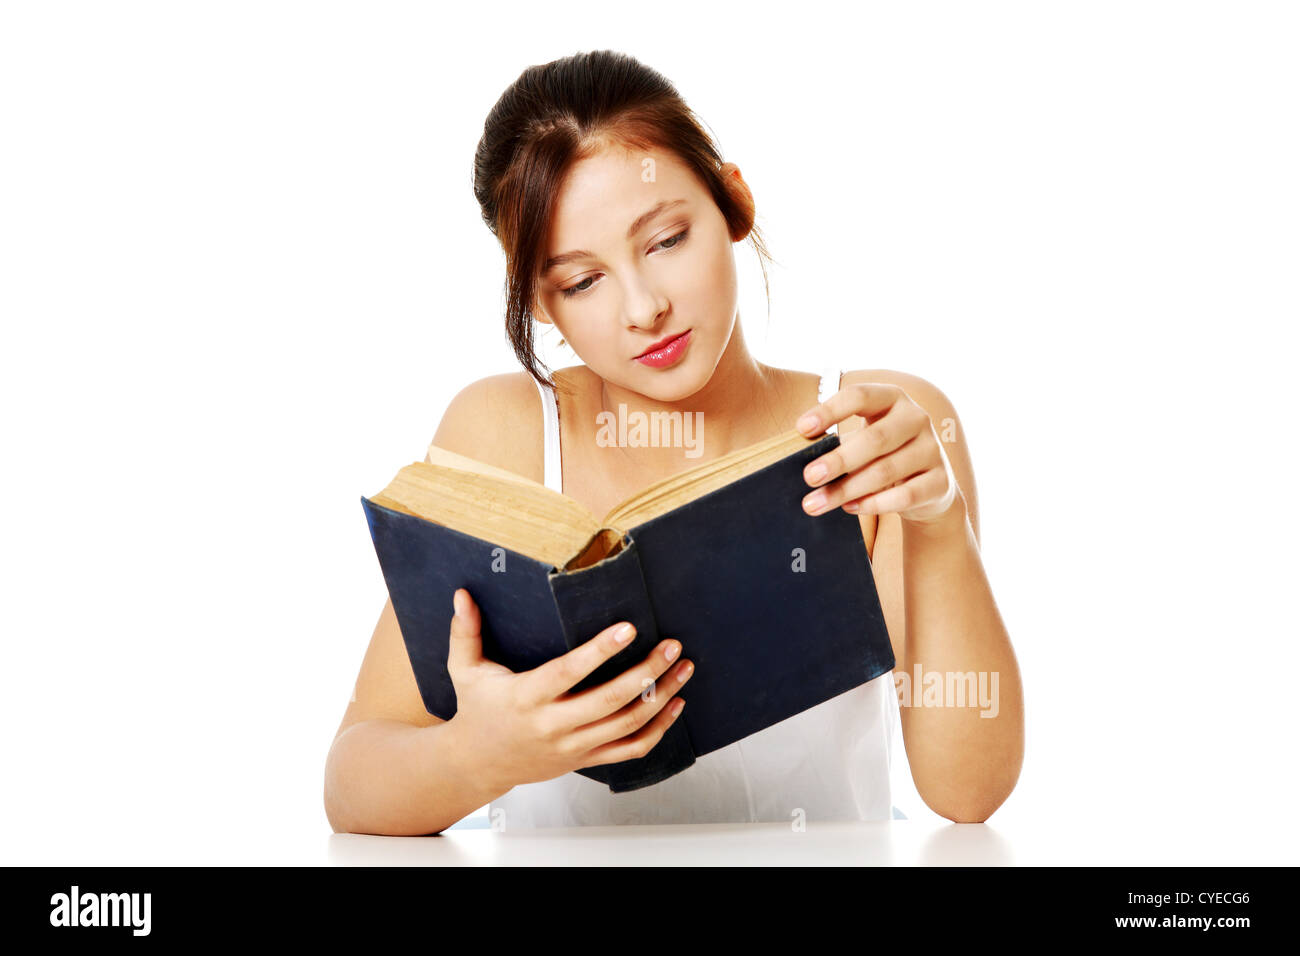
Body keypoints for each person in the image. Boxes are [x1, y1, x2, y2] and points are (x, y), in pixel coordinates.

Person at [324, 49, 1023, 834]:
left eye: (665, 240)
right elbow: (353, 781)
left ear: (733, 201)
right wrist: (480, 757)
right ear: (542, 305)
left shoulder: (876, 425)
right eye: (581, 282)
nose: (643, 308)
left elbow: (968, 796)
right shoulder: (504, 433)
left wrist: (940, 522)